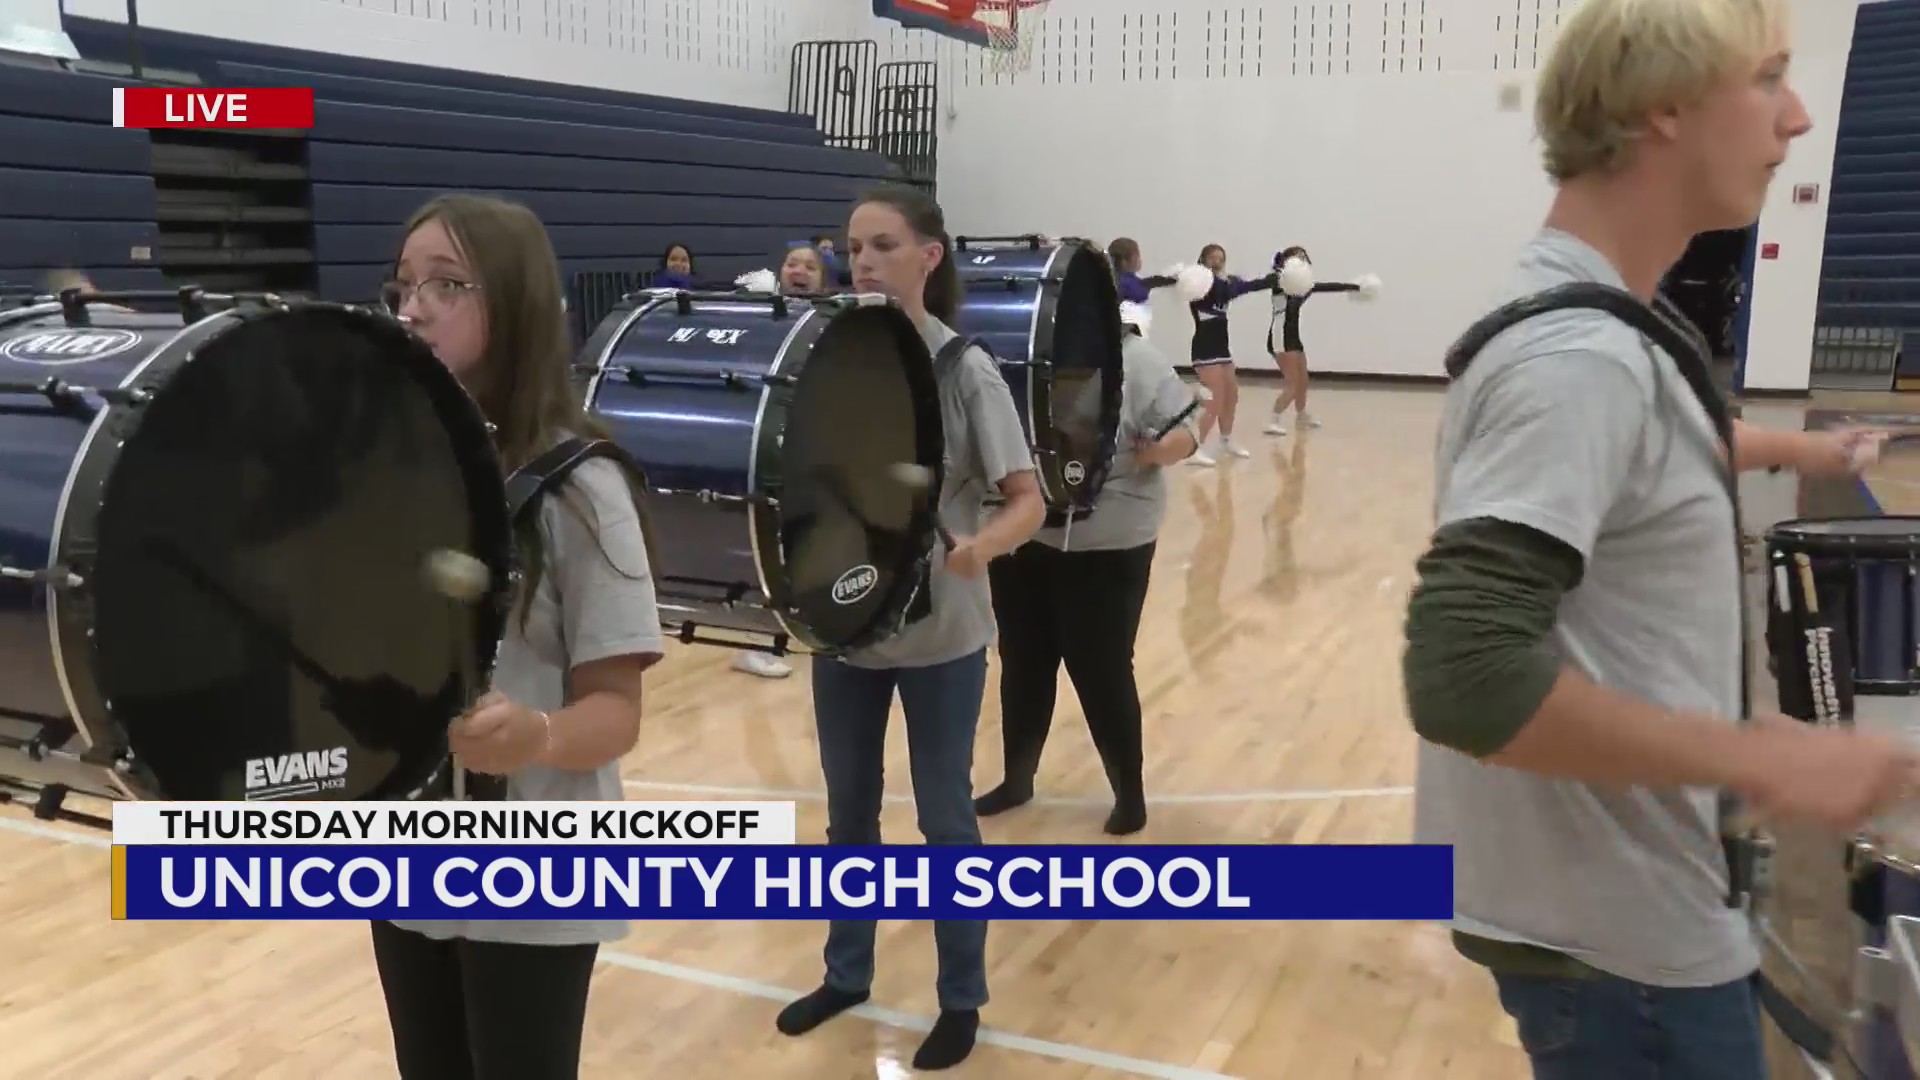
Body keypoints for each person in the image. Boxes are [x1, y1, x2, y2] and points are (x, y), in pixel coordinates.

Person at [1401, 3, 1909, 1077]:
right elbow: (1468, 676)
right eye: (1771, 79)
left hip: (1628, 928)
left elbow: (1668, 440)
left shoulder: (1606, 325)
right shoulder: (1578, 355)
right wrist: (1766, 755)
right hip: (1626, 956)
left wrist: (1808, 456)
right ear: (1664, 108)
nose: (1802, 117)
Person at [373, 193, 666, 1080]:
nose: (413, 306)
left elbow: (615, 711)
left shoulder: (583, 489)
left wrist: (534, 735)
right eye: (405, 284)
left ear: (516, 304)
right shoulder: (387, 465)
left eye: (447, 284)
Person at [774, 184, 1045, 1071]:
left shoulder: (965, 369)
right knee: (847, 817)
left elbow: (1028, 502)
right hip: (847, 634)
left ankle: (960, 997)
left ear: (929, 257)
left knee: (945, 821)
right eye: (854, 247)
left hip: (942, 640)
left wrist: (982, 549)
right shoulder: (821, 359)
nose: (863, 261)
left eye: (884, 245)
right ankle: (847, 973)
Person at [974, 295, 1199, 835]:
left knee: (1100, 669)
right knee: (1024, 661)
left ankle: (1130, 795)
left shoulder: (1138, 361)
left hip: (1109, 541)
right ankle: (1018, 778)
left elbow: (1189, 434)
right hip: (1025, 534)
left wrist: (1156, 449)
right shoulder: (1011, 357)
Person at [724, 244, 835, 680]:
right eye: (792, 264)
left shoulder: (827, 320)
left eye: (810, 266)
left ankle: (799, 625)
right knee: (762, 542)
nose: (800, 271)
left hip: (812, 442)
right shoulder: (764, 315)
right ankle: (755, 640)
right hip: (766, 443)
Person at [1260, 246, 1379, 436]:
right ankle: (1273, 420)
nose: (1303, 261)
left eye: (1304, 258)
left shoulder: (1302, 286)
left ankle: (1301, 415)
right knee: (1293, 384)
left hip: (1293, 336)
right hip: (1279, 337)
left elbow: (1325, 287)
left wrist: (1355, 287)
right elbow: (1266, 281)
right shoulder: (1279, 282)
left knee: (1304, 381)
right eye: (1298, 258)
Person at [1183, 244, 1273, 467]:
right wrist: (1234, 284)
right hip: (1205, 349)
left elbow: (1245, 287)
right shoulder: (1199, 284)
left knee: (1231, 395)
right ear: (1202, 260)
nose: (1217, 261)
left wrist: (1272, 280)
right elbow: (1224, 291)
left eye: (1220, 258)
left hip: (1222, 349)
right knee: (1214, 399)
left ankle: (1225, 439)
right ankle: (1194, 449)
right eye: (1212, 257)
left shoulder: (1223, 283)